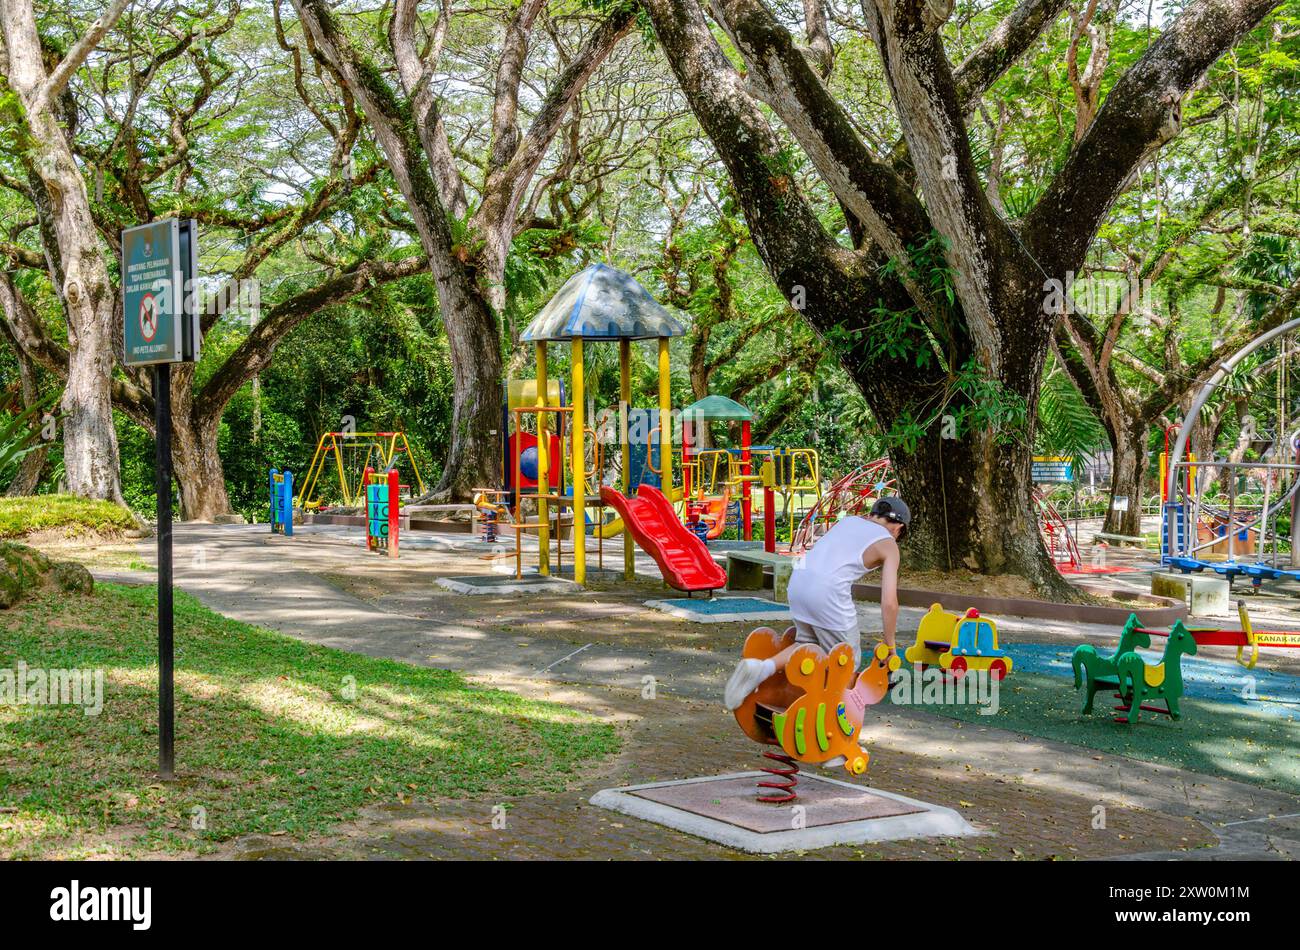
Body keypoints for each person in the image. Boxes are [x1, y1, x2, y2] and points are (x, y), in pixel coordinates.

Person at [723, 496, 910, 711]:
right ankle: (835, 729)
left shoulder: (848, 522)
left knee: (807, 645)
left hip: (798, 582)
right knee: (846, 662)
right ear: (899, 528)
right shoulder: (888, 544)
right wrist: (891, 646)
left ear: (873, 515)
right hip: (827, 592)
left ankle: (761, 668)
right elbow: (889, 603)